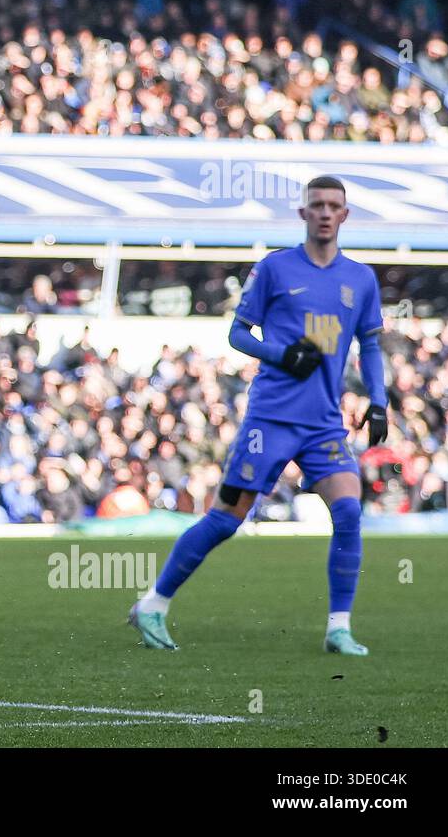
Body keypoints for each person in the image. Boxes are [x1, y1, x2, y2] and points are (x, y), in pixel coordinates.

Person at [129, 176, 388, 656]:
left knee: (349, 512)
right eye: (317, 205)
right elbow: (238, 333)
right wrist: (282, 354)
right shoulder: (274, 268)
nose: (326, 212)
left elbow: (371, 343)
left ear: (345, 215)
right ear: (303, 214)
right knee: (227, 518)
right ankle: (153, 604)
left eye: (334, 206)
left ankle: (338, 628)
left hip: (324, 424)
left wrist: (379, 399)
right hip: (270, 419)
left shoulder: (360, 279)